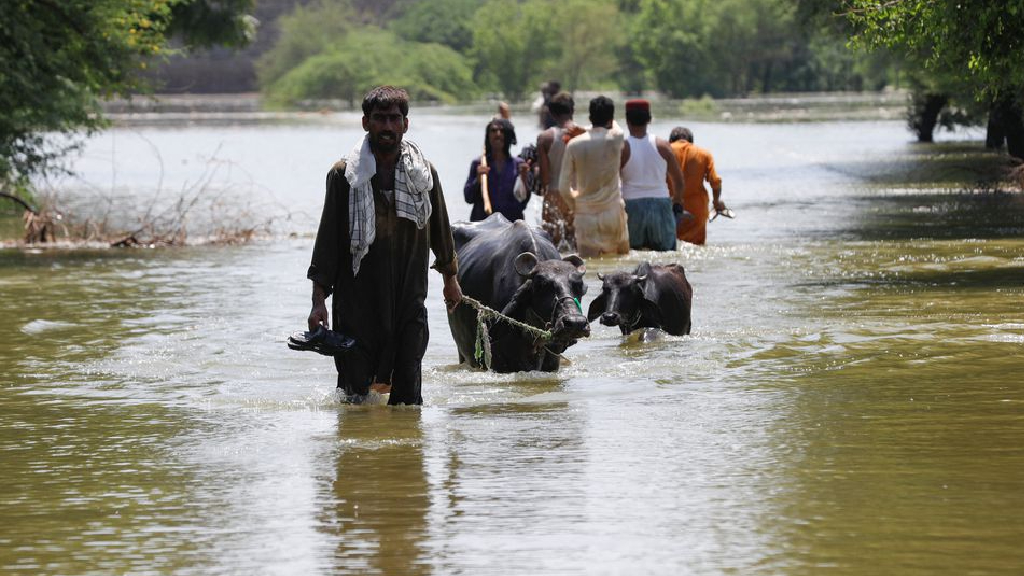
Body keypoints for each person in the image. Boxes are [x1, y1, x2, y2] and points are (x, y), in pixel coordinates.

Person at [306, 86, 463, 405]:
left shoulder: (424, 176)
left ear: (406, 124)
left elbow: (440, 231)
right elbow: (327, 243)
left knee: (408, 402)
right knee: (355, 399)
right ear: (366, 122)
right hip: (357, 305)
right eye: (380, 118)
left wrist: (451, 280)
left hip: (408, 302)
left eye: (394, 118)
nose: (387, 126)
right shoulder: (344, 176)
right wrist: (318, 302)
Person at [557, 96, 630, 258]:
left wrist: (576, 206)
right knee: (621, 264)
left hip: (585, 217)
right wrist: (585, 129)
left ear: (590, 117)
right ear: (610, 118)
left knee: (589, 265)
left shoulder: (574, 144)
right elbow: (615, 127)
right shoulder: (615, 138)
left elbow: (563, 188)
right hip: (612, 214)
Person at [620, 99, 685, 251]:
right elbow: (679, 181)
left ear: (627, 120)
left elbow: (613, 182)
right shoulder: (663, 146)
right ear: (649, 119)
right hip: (661, 205)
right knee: (666, 257)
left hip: (631, 207)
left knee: (633, 257)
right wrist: (677, 203)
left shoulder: (622, 148)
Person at [535, 91, 583, 250]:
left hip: (554, 195)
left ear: (552, 113)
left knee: (553, 246)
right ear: (572, 110)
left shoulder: (545, 137)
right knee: (578, 246)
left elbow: (545, 179)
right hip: (579, 194)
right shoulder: (584, 135)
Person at [463, 118, 531, 222]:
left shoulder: (519, 165)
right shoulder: (478, 164)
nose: (498, 134)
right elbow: (468, 198)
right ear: (488, 136)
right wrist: (478, 180)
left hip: (511, 225)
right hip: (484, 224)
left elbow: (523, 202)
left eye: (502, 131)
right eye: (493, 131)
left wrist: (524, 179)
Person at [669, 126, 728, 245]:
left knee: (666, 247)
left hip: (669, 208)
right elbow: (715, 182)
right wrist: (716, 202)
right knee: (696, 247)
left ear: (671, 140)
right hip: (696, 210)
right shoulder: (704, 154)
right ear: (691, 141)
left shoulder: (664, 151)